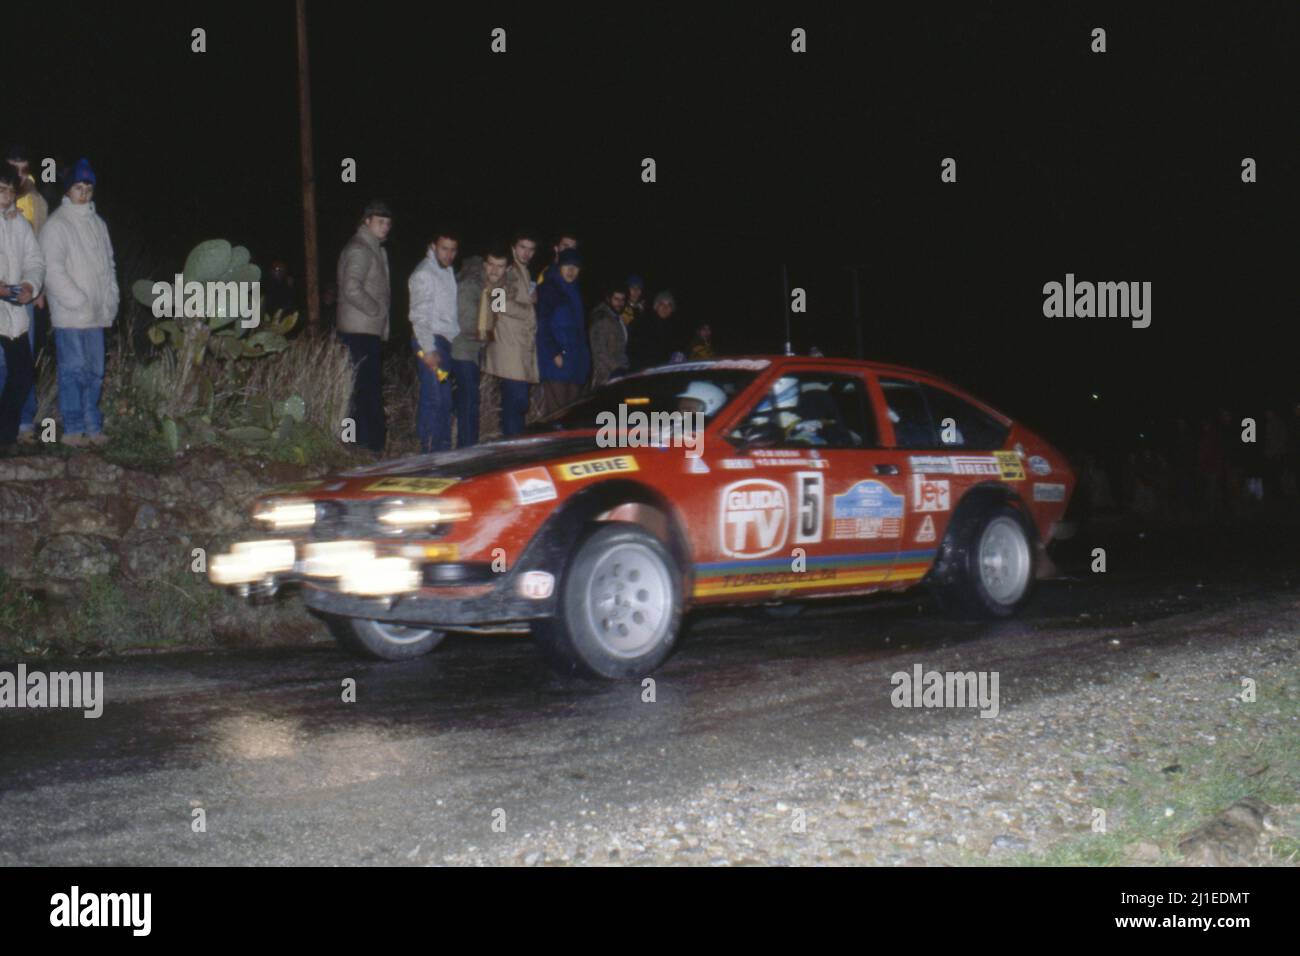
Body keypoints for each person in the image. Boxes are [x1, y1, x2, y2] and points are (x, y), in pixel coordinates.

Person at [40, 159, 118, 447]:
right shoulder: (57, 225)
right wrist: (78, 300)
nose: (83, 193)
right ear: (68, 189)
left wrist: (110, 300)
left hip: (97, 314)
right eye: (78, 187)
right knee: (73, 369)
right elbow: (52, 268)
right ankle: (73, 429)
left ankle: (93, 427)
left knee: (95, 371)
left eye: (88, 188)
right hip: (71, 315)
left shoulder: (99, 225)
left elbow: (109, 266)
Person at [336, 200, 393, 455]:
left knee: (366, 389)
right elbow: (350, 287)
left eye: (388, 223)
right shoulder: (360, 248)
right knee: (362, 391)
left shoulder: (373, 249)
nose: (385, 227)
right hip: (358, 331)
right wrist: (375, 310)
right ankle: (364, 445)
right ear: (366, 221)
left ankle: (368, 445)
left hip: (366, 330)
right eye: (380, 222)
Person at [7, 145, 48, 443]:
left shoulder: (33, 206)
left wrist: (36, 287)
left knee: (24, 362)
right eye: (12, 169)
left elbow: (38, 253)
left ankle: (19, 426)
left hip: (23, 297)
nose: (18, 176)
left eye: (23, 169)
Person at [482, 231, 539, 436]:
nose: (527, 253)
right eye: (523, 247)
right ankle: (513, 448)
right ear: (514, 247)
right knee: (516, 402)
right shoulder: (511, 270)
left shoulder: (523, 270)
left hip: (518, 346)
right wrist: (529, 309)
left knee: (516, 403)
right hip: (509, 346)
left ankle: (511, 444)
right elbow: (497, 302)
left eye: (531, 249)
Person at [408, 231, 459, 453]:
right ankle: (428, 453)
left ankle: (442, 451)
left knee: (444, 401)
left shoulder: (446, 271)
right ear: (433, 246)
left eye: (453, 249)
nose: (448, 254)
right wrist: (428, 349)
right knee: (434, 399)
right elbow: (419, 315)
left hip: (444, 342)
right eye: (444, 248)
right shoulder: (425, 273)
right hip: (429, 341)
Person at [451, 250, 506, 448]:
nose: (495, 270)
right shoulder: (471, 283)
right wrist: (487, 336)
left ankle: (465, 445)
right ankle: (466, 449)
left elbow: (499, 317)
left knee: (469, 400)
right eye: (491, 264)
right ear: (484, 264)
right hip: (462, 349)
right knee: (469, 401)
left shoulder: (497, 288)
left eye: (500, 266)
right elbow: (465, 323)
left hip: (476, 352)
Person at [536, 247, 591, 415]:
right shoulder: (549, 289)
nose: (571, 271)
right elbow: (542, 325)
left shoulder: (576, 292)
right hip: (557, 364)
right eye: (567, 265)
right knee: (557, 413)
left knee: (572, 413)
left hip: (575, 364)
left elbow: (580, 331)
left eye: (575, 267)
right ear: (559, 266)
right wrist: (554, 353)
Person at [588, 284, 628, 387]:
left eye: (622, 299)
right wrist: (615, 370)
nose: (620, 303)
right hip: (607, 377)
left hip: (620, 375)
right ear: (608, 299)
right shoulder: (602, 318)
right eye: (616, 299)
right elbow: (599, 351)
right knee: (613, 403)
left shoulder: (616, 318)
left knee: (622, 403)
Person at [627, 289, 676, 371]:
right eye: (662, 304)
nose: (665, 307)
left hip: (660, 374)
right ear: (656, 306)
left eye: (669, 305)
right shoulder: (643, 322)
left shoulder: (671, 330)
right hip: (641, 373)